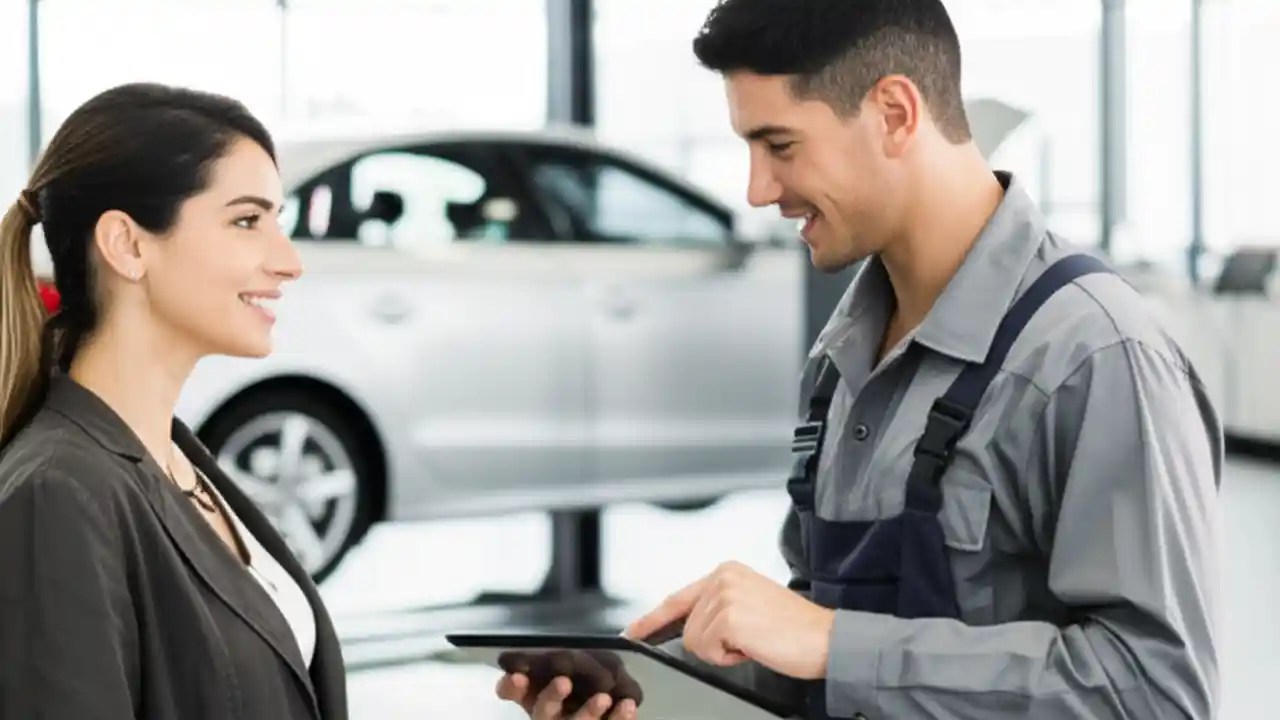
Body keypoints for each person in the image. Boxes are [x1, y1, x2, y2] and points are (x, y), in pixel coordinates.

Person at [495, 1, 1223, 718]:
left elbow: (1158, 693)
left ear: (895, 114)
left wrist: (835, 643)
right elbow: (818, 657)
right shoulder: (839, 363)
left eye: (780, 146)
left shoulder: (1093, 356)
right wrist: (657, 687)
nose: (757, 190)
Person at [0, 83, 347, 719]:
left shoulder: (181, 463)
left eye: (279, 222)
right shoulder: (57, 494)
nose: (289, 261)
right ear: (127, 245)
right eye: (247, 220)